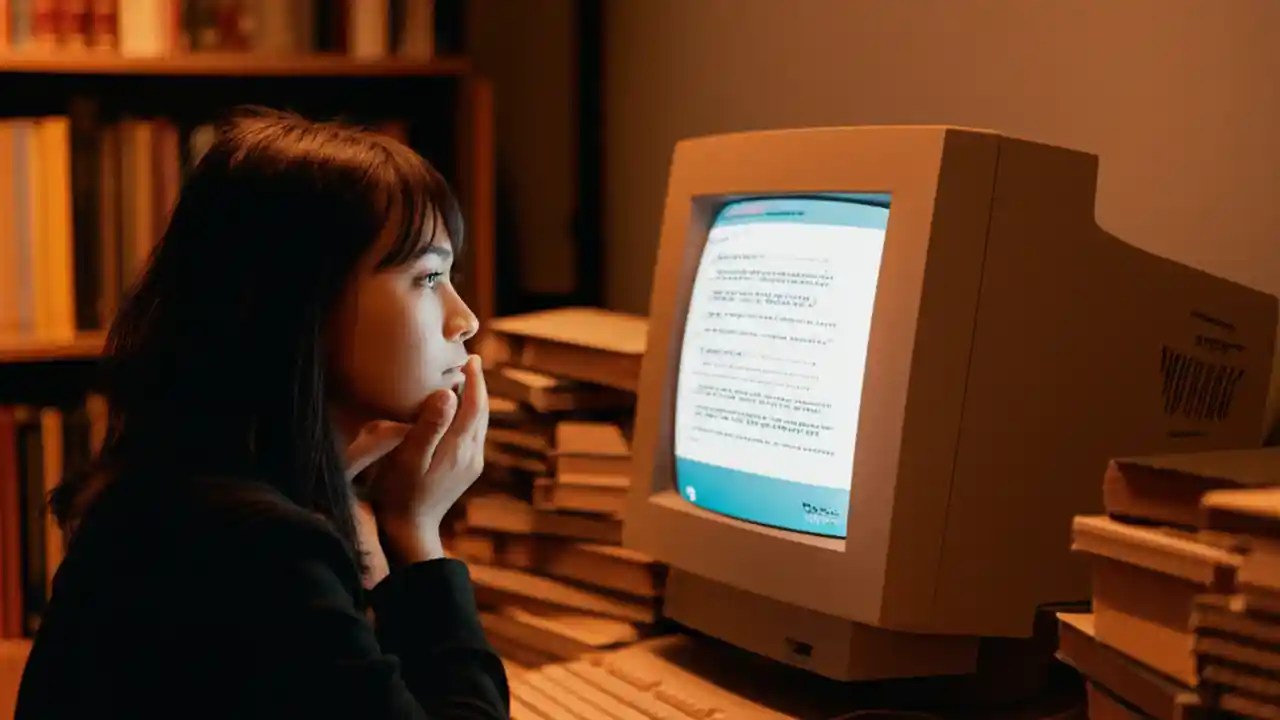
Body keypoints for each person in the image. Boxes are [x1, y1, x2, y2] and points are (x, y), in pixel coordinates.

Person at [14, 109, 509, 719]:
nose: (465, 320)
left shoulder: (185, 490)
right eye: (428, 277)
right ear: (302, 299)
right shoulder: (259, 547)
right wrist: (418, 531)